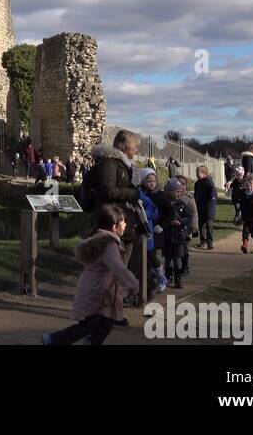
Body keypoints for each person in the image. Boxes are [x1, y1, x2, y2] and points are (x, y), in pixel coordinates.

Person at [42, 205, 140, 345]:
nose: (125, 224)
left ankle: (88, 342)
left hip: (99, 289)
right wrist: (133, 284)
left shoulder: (101, 240)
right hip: (98, 290)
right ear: (114, 226)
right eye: (123, 221)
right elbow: (118, 268)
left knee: (106, 322)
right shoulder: (108, 245)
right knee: (90, 325)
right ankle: (53, 339)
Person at [91, 130, 142, 268]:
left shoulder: (125, 165)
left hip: (124, 220)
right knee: (114, 268)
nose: (136, 149)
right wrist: (133, 193)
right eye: (134, 146)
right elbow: (108, 190)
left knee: (123, 265)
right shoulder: (110, 163)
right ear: (125, 146)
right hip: (112, 220)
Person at [137, 167, 169, 293]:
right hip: (139, 227)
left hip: (152, 229)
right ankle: (148, 283)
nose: (152, 184)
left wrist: (161, 225)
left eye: (154, 181)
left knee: (151, 254)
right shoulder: (139, 192)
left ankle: (162, 277)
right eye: (149, 181)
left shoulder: (159, 195)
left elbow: (161, 211)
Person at [163, 178, 190, 288]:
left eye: (180, 192)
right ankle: (168, 277)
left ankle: (178, 279)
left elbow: (188, 218)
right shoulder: (165, 204)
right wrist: (169, 222)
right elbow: (162, 217)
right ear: (169, 192)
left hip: (179, 236)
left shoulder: (183, 204)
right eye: (176, 191)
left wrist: (181, 222)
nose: (179, 194)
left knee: (177, 258)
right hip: (168, 235)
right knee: (168, 259)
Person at [174, 175, 199, 274]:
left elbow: (194, 213)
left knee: (184, 250)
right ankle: (175, 268)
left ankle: (185, 266)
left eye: (184, 184)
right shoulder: (171, 196)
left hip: (186, 229)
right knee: (176, 251)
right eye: (180, 183)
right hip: (174, 230)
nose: (182, 186)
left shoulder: (189, 198)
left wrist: (194, 227)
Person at [193, 165, 217, 249]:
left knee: (209, 225)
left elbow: (213, 195)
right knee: (201, 225)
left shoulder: (209, 183)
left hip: (209, 208)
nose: (196, 174)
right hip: (200, 207)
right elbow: (196, 195)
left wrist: (211, 204)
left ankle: (210, 242)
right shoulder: (197, 183)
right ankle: (203, 242)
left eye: (198, 173)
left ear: (204, 174)